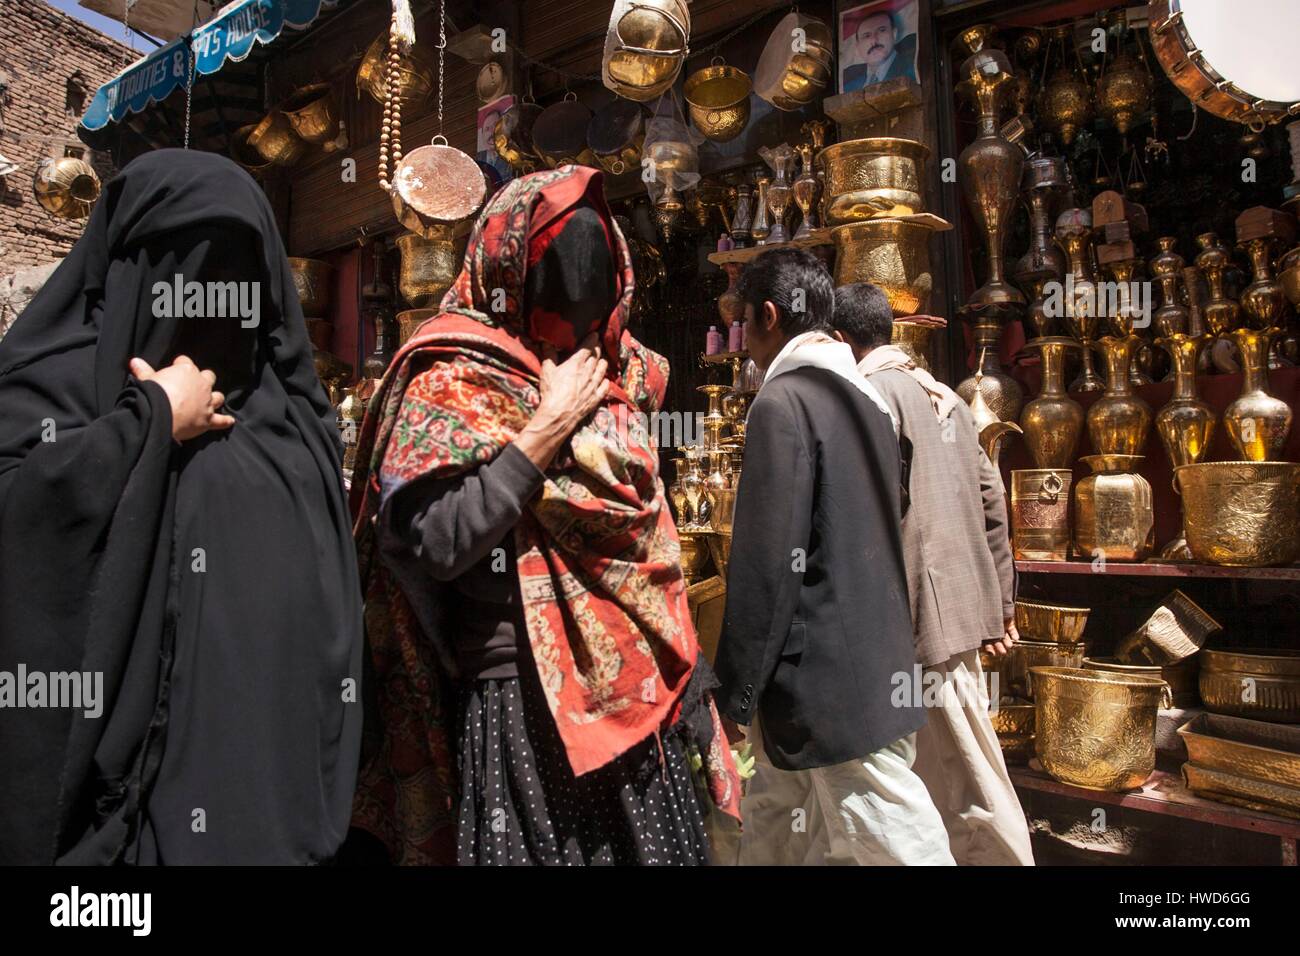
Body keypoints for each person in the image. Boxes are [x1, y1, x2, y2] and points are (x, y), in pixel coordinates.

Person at [348, 164, 741, 866]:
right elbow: (437, 543)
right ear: (507, 263)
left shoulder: (617, 375)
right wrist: (545, 429)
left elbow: (647, 549)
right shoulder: (454, 374)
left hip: (638, 704)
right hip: (523, 710)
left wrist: (694, 691)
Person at [0, 149, 364, 864]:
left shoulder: (292, 422)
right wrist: (147, 422)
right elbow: (20, 521)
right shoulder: (59, 387)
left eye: (230, 274)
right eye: (179, 268)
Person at [713, 248, 954, 866]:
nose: (744, 347)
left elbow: (767, 566)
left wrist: (733, 694)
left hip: (826, 686)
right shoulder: (867, 400)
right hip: (870, 665)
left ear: (769, 315)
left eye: (745, 326)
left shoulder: (783, 402)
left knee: (895, 840)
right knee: (780, 830)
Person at [832, 282, 1034, 866]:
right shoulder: (944, 393)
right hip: (956, 609)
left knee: (969, 770)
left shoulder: (870, 394)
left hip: (920, 614)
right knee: (940, 769)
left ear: (841, 339)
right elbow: (992, 499)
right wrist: (999, 604)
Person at [843, 9, 917, 92]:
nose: (874, 40)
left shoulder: (914, 70)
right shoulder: (849, 88)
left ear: (894, 34)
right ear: (857, 47)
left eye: (881, 30)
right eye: (867, 36)